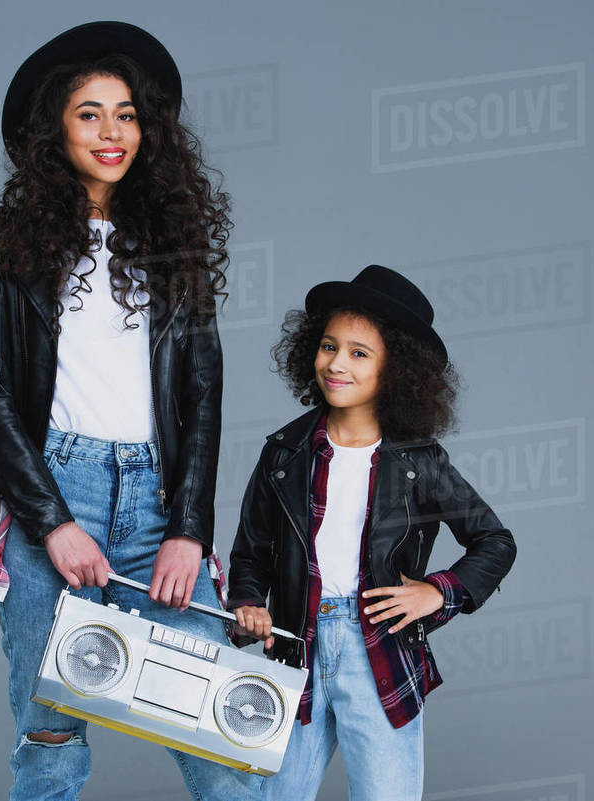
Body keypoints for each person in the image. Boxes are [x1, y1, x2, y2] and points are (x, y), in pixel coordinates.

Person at [0, 20, 261, 801]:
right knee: (50, 737)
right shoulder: (0, 245)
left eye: (126, 113)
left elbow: (202, 388)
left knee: (225, 730)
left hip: (156, 502)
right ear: (54, 127)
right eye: (89, 112)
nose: (111, 131)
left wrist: (190, 527)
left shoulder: (171, 244)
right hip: (52, 493)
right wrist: (51, 520)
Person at [227, 265, 517, 801]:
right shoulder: (284, 455)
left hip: (380, 651)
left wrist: (438, 592)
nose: (337, 363)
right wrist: (248, 602)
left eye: (360, 353)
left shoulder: (420, 462)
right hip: (297, 650)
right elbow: (251, 554)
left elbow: (495, 541)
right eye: (329, 347)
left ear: (398, 372)